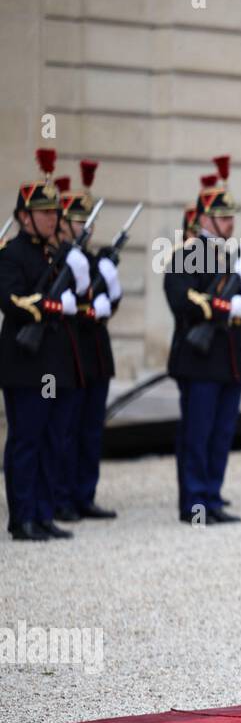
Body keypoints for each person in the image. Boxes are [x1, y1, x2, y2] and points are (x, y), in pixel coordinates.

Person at [164, 155, 241, 525]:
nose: (229, 222)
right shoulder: (188, 253)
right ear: (204, 219)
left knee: (220, 434)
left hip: (229, 357)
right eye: (223, 216)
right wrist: (224, 305)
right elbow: (181, 299)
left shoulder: (230, 256)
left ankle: (212, 496)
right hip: (198, 357)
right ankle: (195, 502)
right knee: (197, 433)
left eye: (232, 216)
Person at [0, 149, 83, 541]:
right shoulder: (10, 254)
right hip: (24, 362)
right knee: (26, 440)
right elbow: (12, 300)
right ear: (23, 217)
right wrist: (53, 304)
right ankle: (22, 517)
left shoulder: (58, 253)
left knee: (55, 441)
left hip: (56, 363)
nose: (53, 218)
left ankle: (45, 512)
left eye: (55, 212)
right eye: (45, 212)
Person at [51, 160, 119, 523]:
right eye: (80, 221)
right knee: (65, 431)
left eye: (89, 222)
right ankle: (60, 497)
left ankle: (83, 494)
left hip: (95, 355)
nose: (86, 228)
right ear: (64, 223)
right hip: (68, 355)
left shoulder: (93, 260)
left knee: (91, 431)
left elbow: (107, 301)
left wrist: (110, 293)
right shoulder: (60, 258)